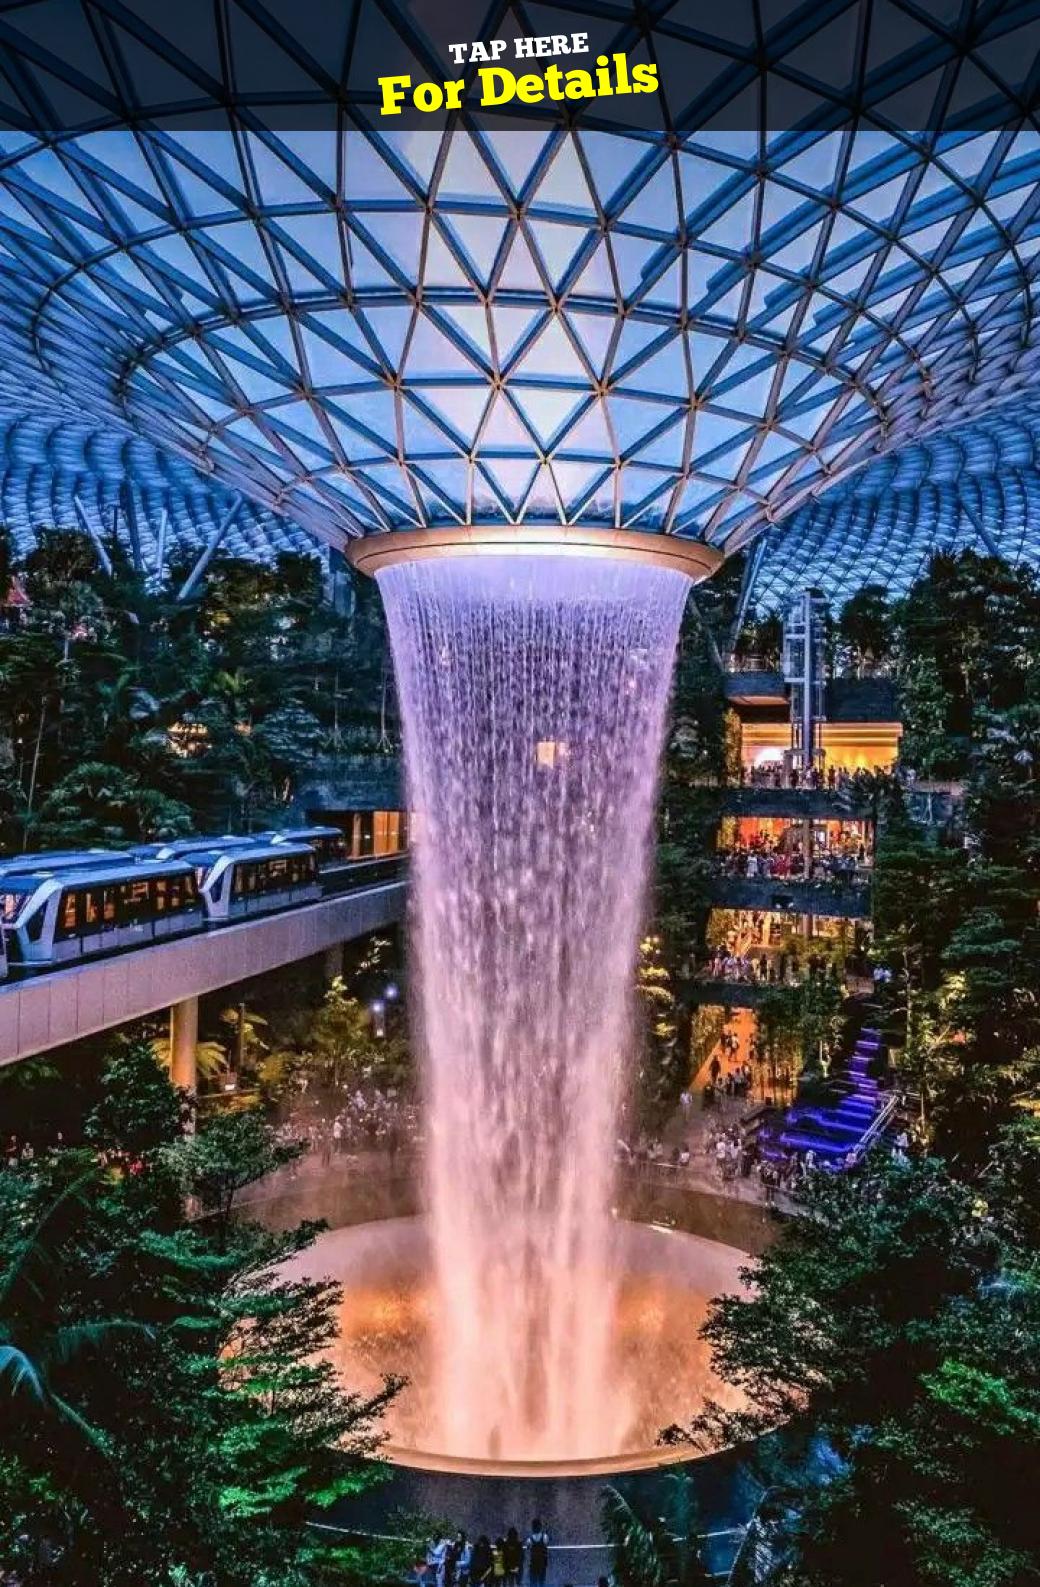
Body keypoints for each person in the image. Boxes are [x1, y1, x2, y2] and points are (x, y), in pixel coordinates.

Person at [527, 1521, 549, 1587]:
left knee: (533, 1582)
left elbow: (528, 1547)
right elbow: (546, 1544)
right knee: (541, 1581)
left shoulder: (529, 1539)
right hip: (542, 1563)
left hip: (533, 1563)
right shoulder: (545, 1536)